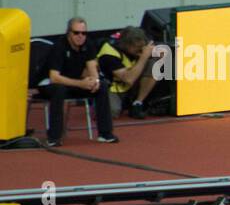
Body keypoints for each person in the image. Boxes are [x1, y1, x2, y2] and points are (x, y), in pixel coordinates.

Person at [41, 17, 116, 146]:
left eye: (84, 33)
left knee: (102, 86)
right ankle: (54, 137)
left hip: (73, 83)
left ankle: (105, 134)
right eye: (76, 33)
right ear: (69, 33)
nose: (80, 36)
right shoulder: (59, 47)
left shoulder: (88, 44)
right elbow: (54, 77)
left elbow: (92, 67)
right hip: (49, 84)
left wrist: (95, 81)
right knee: (59, 90)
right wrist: (81, 83)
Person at [97, 25, 165, 118]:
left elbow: (163, 54)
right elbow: (129, 79)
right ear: (126, 45)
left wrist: (158, 53)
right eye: (137, 47)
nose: (140, 49)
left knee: (153, 65)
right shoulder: (109, 53)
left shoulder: (141, 44)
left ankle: (137, 103)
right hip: (113, 86)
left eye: (142, 46)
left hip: (131, 84)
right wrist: (144, 56)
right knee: (112, 113)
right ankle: (99, 103)